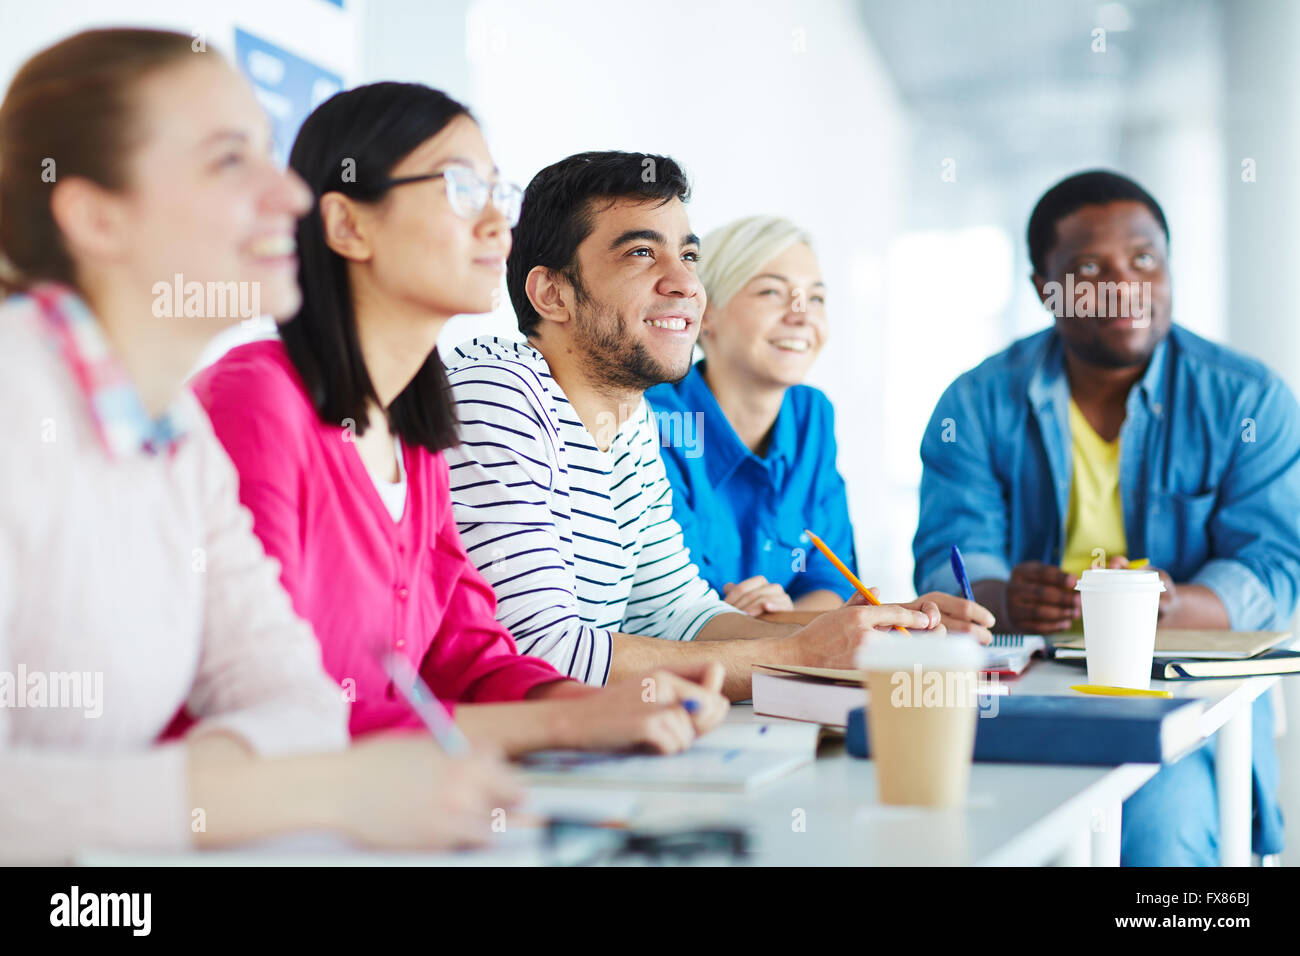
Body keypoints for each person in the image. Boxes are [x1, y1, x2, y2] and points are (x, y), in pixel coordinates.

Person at [0, 29, 517, 863]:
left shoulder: (179, 435)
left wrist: (219, 794)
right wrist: (292, 791)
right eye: (229, 161)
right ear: (95, 215)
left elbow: (292, 695)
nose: (291, 196)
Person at [194, 84, 729, 756]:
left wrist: (597, 705)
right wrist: (564, 722)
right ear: (348, 225)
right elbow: (271, 712)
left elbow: (468, 656)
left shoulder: (414, 434)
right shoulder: (260, 401)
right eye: (459, 188)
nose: (495, 227)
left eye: (496, 196)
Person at [444, 151, 953, 702]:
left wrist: (848, 638)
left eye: (688, 255)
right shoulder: (497, 395)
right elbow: (539, 655)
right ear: (552, 294)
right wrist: (797, 655)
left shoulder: (629, 419)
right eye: (641, 253)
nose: (686, 282)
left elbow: (676, 613)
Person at [914, 169, 1300, 865]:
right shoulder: (974, 405)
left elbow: (1275, 569)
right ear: (1044, 288)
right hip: (1026, 692)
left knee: (1160, 833)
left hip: (1179, 693)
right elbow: (950, 560)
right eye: (1090, 268)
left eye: (1145, 260)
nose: (1126, 286)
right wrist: (1005, 598)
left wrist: (1178, 602)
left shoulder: (1247, 400)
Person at [646, 215, 995, 638]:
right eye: (772, 292)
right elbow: (671, 613)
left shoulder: (811, 415)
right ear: (706, 315)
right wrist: (775, 621)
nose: (801, 315)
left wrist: (783, 611)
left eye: (815, 298)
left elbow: (833, 585)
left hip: (779, 675)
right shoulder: (653, 420)